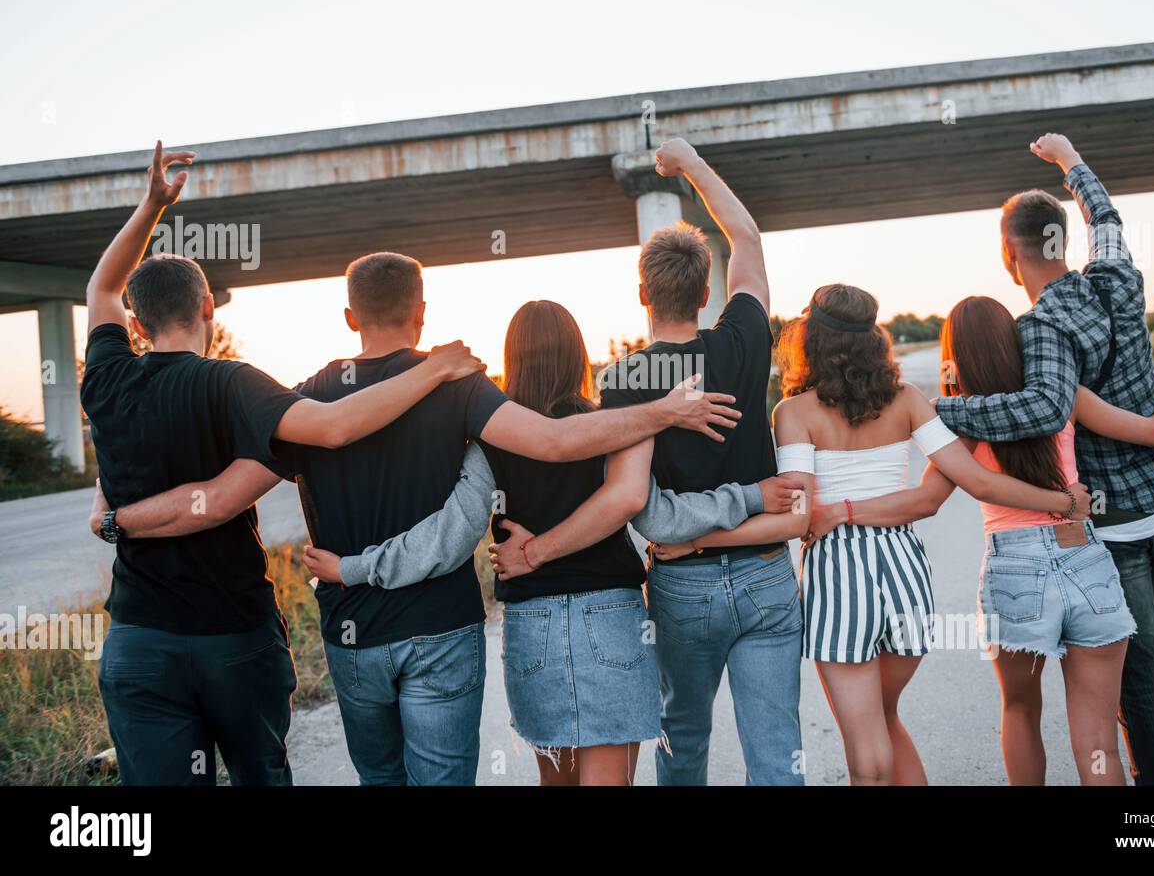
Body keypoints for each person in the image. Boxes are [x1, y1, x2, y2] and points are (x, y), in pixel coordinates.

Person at [99, 250, 741, 787]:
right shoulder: (458, 387)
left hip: (352, 629)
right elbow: (552, 441)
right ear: (422, 312)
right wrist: (662, 412)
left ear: (350, 317)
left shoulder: (310, 397)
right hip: (441, 628)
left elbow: (222, 494)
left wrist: (120, 515)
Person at [82, 144, 488, 785]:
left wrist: (153, 204)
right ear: (209, 307)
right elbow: (329, 428)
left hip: (138, 638)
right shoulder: (231, 383)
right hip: (231, 635)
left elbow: (100, 284)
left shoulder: (104, 375)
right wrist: (437, 365)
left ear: (134, 322)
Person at [302, 300, 801, 785]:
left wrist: (356, 568)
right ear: (578, 355)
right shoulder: (614, 425)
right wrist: (748, 497)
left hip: (531, 624)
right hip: (612, 616)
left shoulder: (487, 445)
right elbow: (654, 512)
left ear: (512, 359)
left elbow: (449, 535)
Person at [654, 283, 1091, 785]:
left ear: (810, 341)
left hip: (840, 578)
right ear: (874, 339)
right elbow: (971, 483)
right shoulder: (907, 400)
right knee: (886, 720)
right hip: (905, 570)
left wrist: (698, 541)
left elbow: (799, 519)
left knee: (866, 750)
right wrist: (1065, 502)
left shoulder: (794, 414)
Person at [809, 295, 1154, 785]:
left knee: (1020, 710)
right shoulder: (1064, 395)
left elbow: (924, 501)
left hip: (1016, 571)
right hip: (1083, 557)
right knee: (1099, 737)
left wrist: (843, 512)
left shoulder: (964, 418)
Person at [933, 134, 1154, 785]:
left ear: (1009, 253)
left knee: (1138, 679)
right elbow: (1106, 219)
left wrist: (941, 413)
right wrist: (1071, 160)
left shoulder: (1041, 329)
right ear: (1062, 235)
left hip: (1126, 525)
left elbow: (1044, 409)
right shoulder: (1116, 274)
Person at [592, 137, 809, 785]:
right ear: (708, 285)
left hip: (683, 585)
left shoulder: (624, 378)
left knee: (681, 741)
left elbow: (637, 502)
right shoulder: (743, 336)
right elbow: (745, 236)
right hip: (768, 576)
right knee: (776, 751)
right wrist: (689, 164)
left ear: (642, 293)